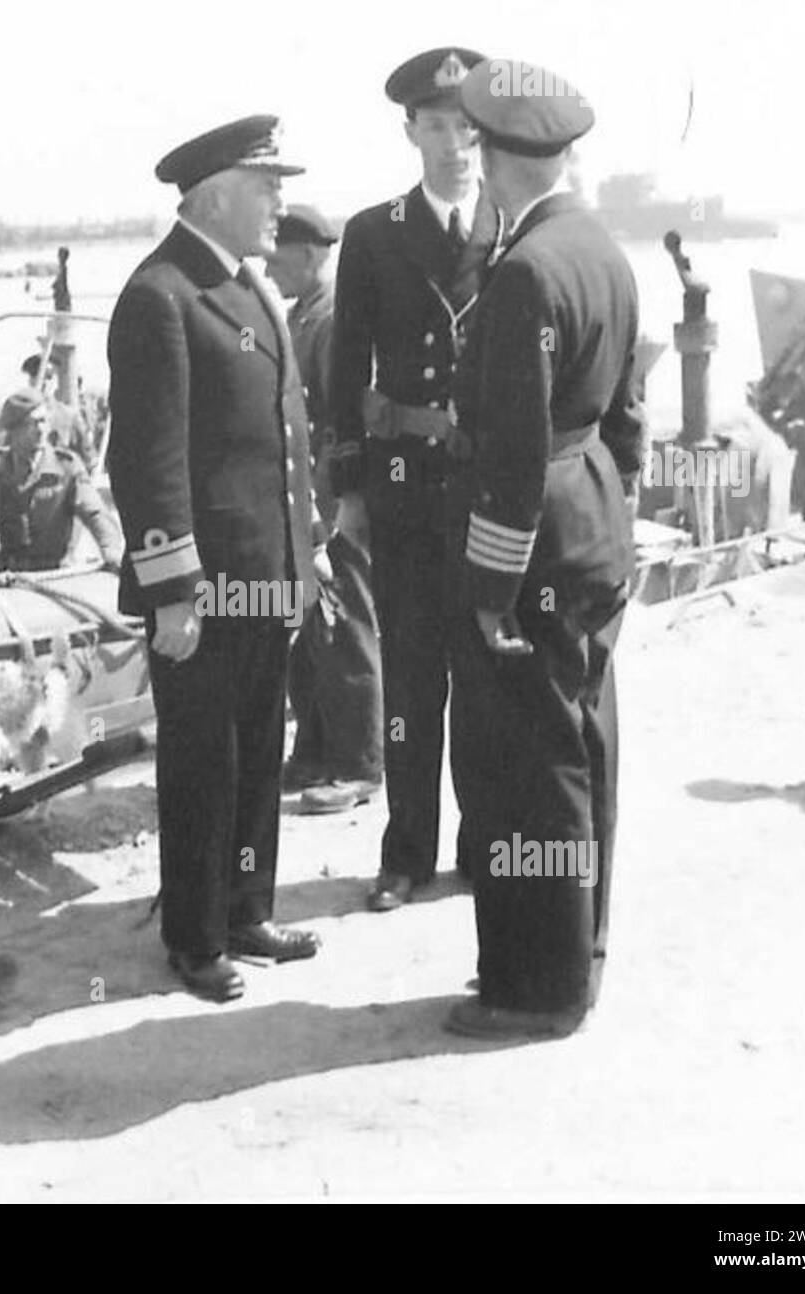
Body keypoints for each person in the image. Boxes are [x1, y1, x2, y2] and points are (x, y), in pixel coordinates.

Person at [444, 59, 646, 1039]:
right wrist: (617, 512)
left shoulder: (525, 268)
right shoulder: (600, 247)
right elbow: (630, 416)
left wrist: (490, 585)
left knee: (527, 768)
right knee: (584, 746)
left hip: (536, 551)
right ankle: (581, 956)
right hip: (592, 527)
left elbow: (516, 453)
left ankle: (538, 985)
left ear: (490, 155)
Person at [108, 115, 326, 1002]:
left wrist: (301, 564)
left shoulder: (248, 289)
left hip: (263, 577)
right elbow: (148, 462)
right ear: (219, 193)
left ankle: (246, 910)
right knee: (203, 759)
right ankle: (195, 938)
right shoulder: (161, 295)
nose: (281, 203)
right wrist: (173, 593)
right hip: (202, 588)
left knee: (255, 746)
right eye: (269, 186)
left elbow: (279, 444)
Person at [329, 47, 502, 911]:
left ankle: (480, 847)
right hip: (401, 490)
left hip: (482, 498)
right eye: (438, 127)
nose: (455, 145)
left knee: (481, 673)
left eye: (467, 128)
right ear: (411, 132)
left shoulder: (510, 226)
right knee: (410, 679)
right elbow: (342, 368)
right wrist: (351, 488)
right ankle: (405, 855)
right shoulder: (372, 233)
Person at [265, 204, 383, 814]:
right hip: (306, 494)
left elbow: (344, 417)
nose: (267, 264)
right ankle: (313, 748)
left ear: (308, 254)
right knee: (311, 626)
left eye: (276, 256)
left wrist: (337, 497)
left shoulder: (332, 319)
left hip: (333, 494)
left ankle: (360, 761)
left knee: (346, 622)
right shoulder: (303, 315)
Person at [0, 389, 121, 572]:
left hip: (57, 573)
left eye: (44, 421)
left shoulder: (67, 467)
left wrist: (110, 549)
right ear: (15, 431)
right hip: (15, 575)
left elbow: (95, 513)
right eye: (33, 423)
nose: (41, 429)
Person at [20, 351, 97, 469]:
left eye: (49, 376)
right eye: (35, 374)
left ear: (55, 379)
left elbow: (88, 460)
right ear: (30, 380)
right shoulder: (19, 416)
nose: (42, 381)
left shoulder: (69, 417)